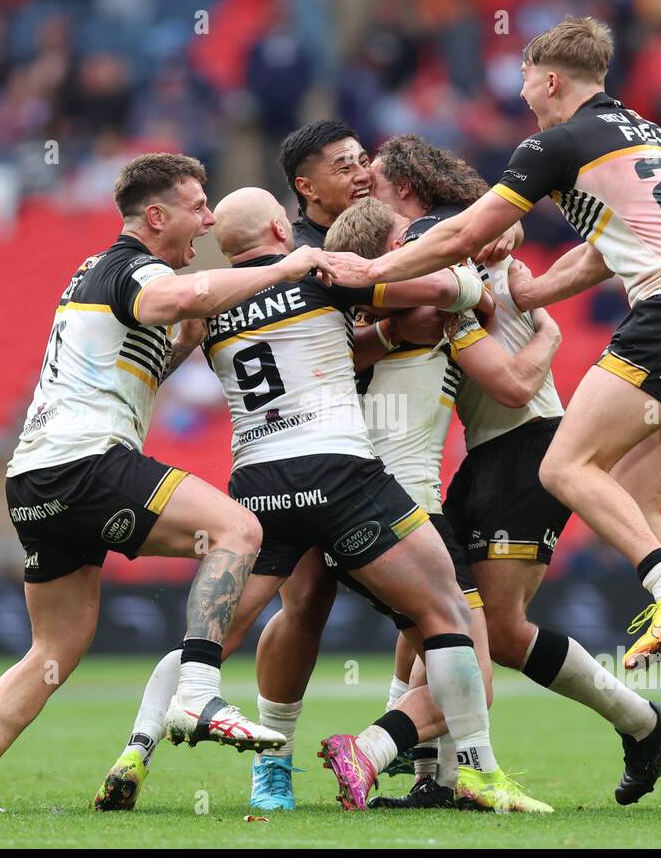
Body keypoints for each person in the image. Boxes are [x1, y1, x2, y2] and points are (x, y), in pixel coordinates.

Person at [325, 16, 661, 751]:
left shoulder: (554, 143)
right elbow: (603, 252)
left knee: (567, 465)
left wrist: (372, 271)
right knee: (633, 498)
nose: (523, 89)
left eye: (527, 77)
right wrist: (532, 299)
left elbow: (467, 233)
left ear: (550, 80)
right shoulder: (650, 135)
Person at [103, 186, 547, 814]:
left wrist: (383, 338)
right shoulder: (323, 274)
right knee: (447, 612)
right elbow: (434, 296)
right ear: (284, 233)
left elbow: (315, 349)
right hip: (340, 473)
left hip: (258, 484)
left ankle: (137, 748)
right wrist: (475, 290)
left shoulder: (210, 306)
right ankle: (476, 769)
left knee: (214, 636)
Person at [0, 153, 339, 814]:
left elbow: (142, 347)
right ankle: (199, 694)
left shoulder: (96, 272)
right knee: (238, 529)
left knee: (54, 648)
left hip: (33, 478)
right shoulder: (134, 268)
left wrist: (188, 338)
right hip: (86, 463)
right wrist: (289, 267)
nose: (207, 220)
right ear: (156, 215)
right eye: (197, 206)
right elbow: (165, 298)